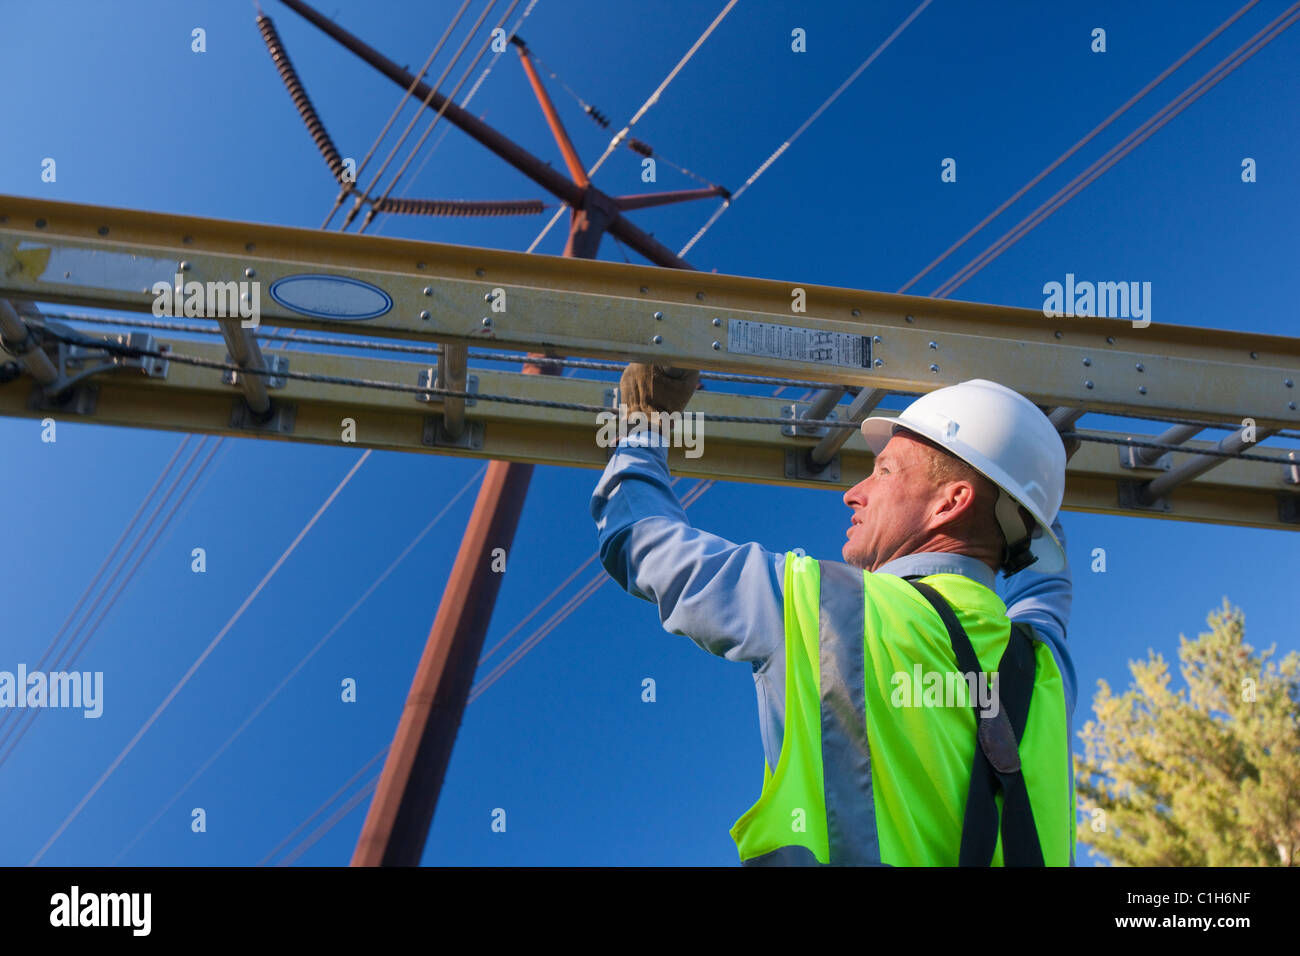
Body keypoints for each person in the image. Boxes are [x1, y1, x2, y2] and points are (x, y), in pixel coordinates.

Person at [590, 365, 1077, 866]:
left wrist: (645, 426)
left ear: (950, 503)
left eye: (885, 471)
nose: (853, 492)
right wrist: (1033, 472)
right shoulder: (1045, 669)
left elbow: (641, 542)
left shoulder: (826, 606)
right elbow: (1046, 585)